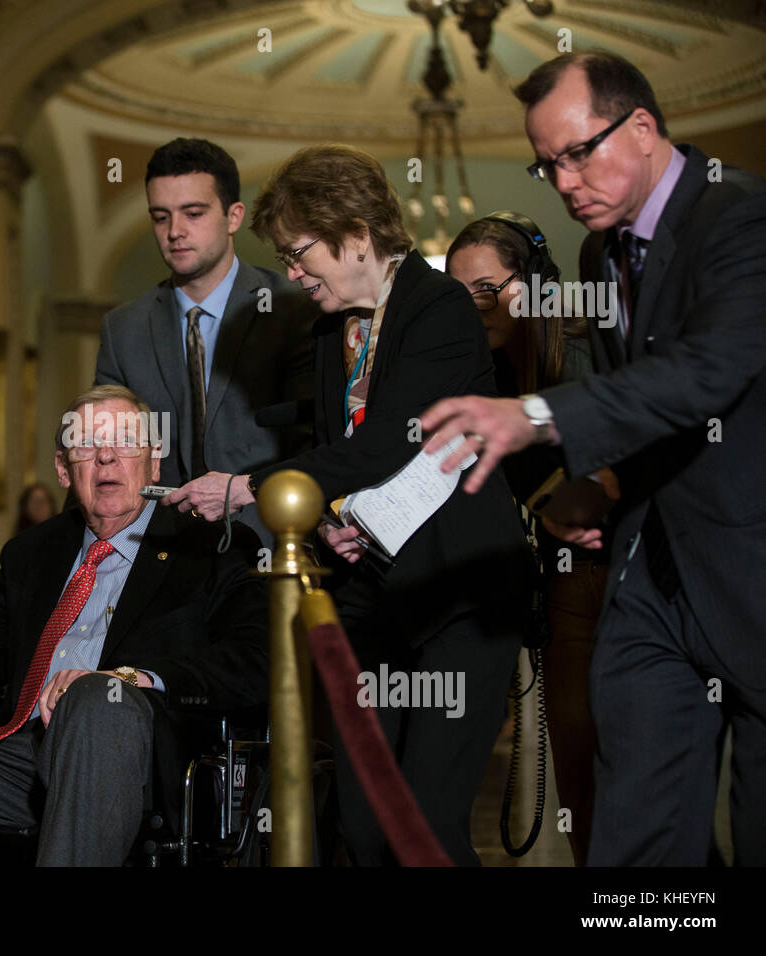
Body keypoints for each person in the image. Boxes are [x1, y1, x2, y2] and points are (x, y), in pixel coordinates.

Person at [421, 51, 766, 867]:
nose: (566, 180)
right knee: (631, 841)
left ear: (642, 127)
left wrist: (534, 414)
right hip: (649, 582)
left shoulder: (742, 219)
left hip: (753, 575)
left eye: (580, 152)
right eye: (549, 164)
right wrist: (603, 487)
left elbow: (702, 377)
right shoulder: (594, 254)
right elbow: (642, 412)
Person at [172, 145, 532, 866]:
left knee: (426, 827)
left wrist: (245, 486)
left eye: (300, 254)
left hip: (461, 598)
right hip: (376, 600)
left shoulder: (441, 308)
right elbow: (354, 470)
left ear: (358, 236)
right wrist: (343, 522)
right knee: (364, 829)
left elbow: (385, 447)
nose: (294, 273)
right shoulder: (334, 328)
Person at [0, 385, 268, 866]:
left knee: (94, 699)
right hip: (21, 756)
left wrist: (127, 680)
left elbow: (257, 664)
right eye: (86, 444)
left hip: (140, 760)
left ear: (154, 463)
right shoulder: (33, 552)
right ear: (63, 470)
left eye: (125, 441)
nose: (106, 457)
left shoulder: (210, 545)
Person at [447, 212, 608, 864]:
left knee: (622, 779)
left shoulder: (586, 349)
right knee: (578, 777)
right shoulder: (478, 367)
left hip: (615, 579)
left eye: (489, 288)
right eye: (459, 296)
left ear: (538, 283)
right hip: (558, 587)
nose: (474, 307)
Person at [95, 137, 314, 545]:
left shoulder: (292, 309)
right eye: (160, 217)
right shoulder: (123, 329)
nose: (175, 232)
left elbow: (315, 443)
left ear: (234, 216)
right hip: (159, 552)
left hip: (270, 543)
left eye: (193, 213)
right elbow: (108, 456)